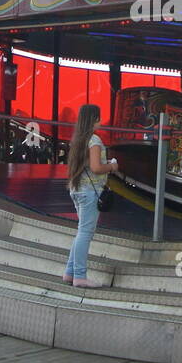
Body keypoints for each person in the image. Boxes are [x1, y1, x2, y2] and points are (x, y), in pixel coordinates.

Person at [63, 103, 118, 289]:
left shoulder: (78, 139)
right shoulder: (94, 140)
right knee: (85, 233)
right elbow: (96, 168)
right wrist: (111, 166)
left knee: (81, 232)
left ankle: (70, 273)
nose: (100, 121)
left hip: (78, 189)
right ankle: (80, 276)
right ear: (94, 118)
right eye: (99, 117)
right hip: (89, 192)